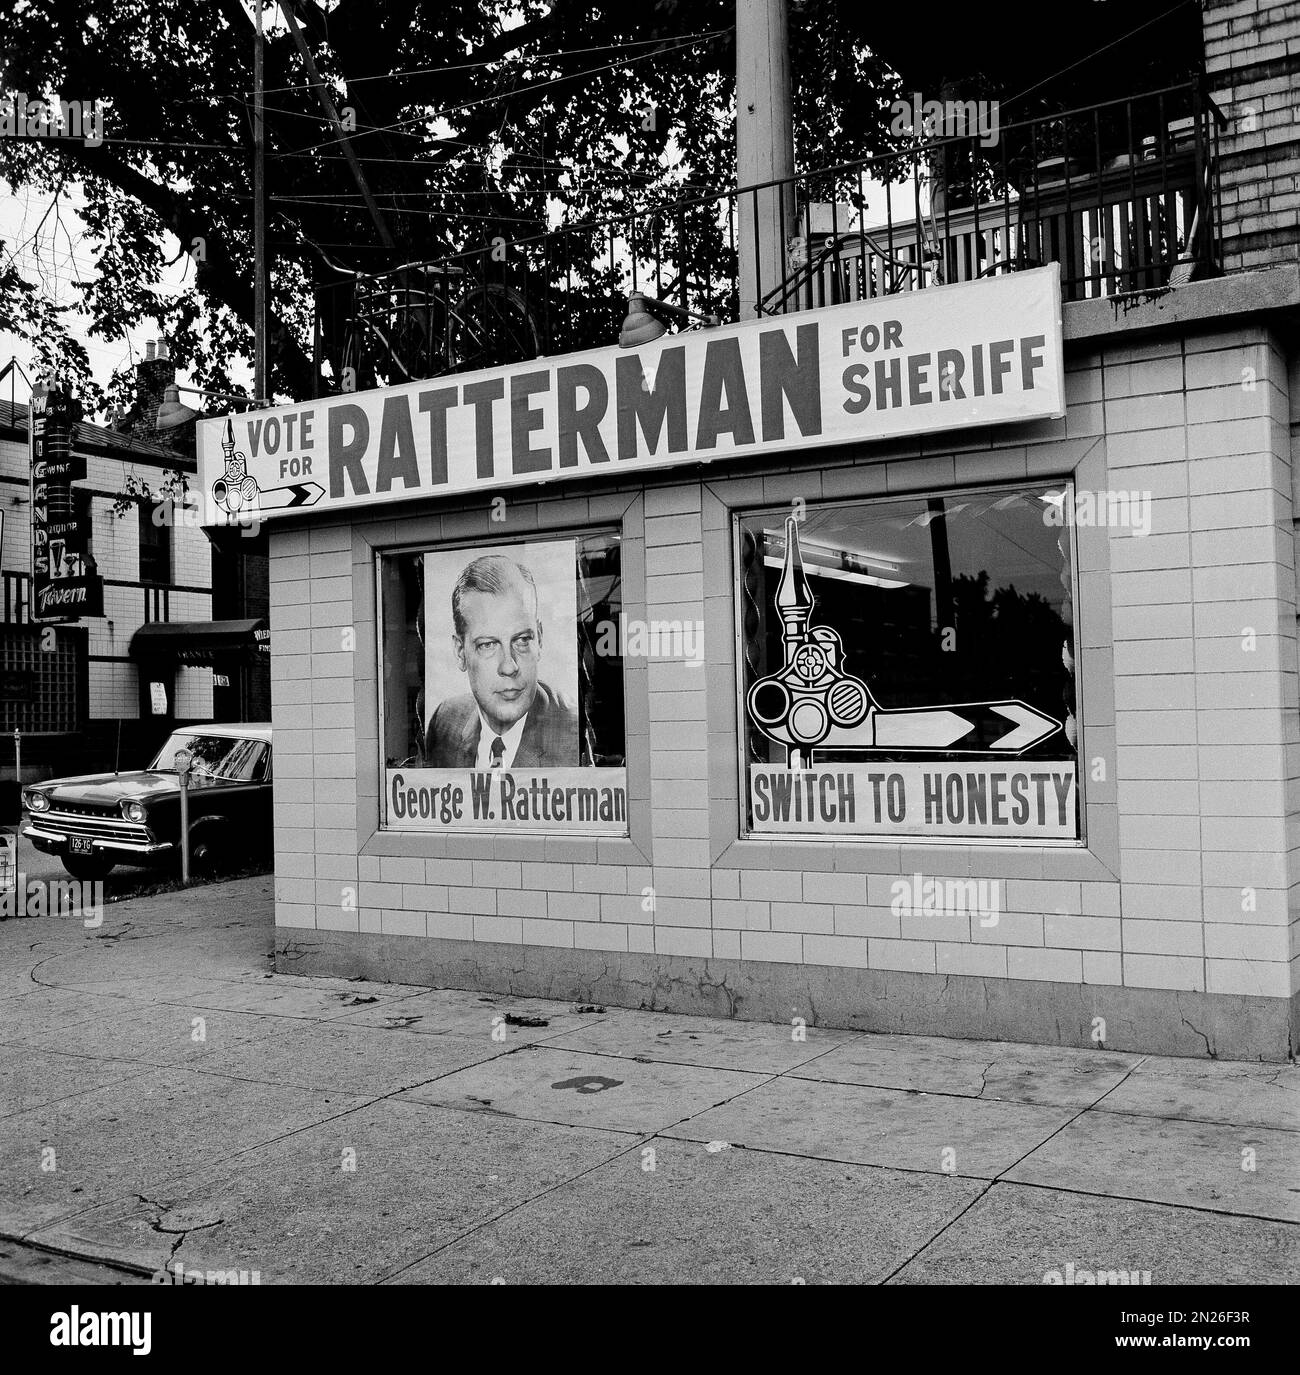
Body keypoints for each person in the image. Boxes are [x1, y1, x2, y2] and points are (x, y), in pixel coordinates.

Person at [426, 554, 579, 769]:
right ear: (460, 652)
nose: (509, 666)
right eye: (488, 644)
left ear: (540, 639)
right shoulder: (445, 720)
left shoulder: (574, 732)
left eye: (522, 640)